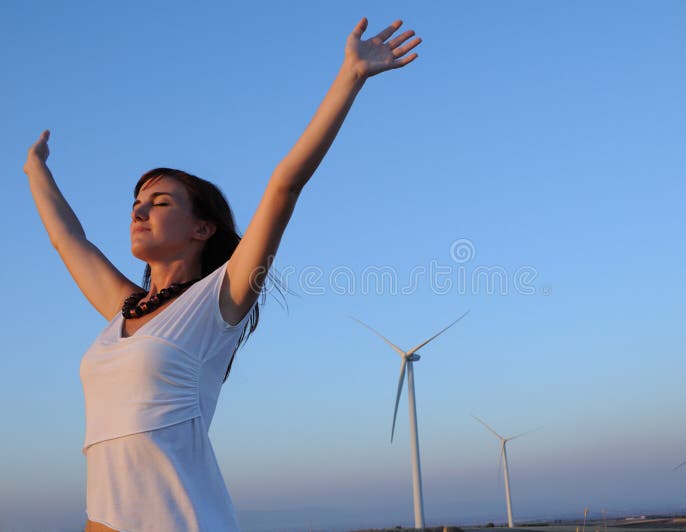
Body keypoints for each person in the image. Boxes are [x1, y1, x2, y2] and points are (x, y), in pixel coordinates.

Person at [23, 17, 421, 532]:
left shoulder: (220, 302)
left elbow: (285, 186)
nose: (138, 212)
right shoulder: (124, 309)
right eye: (136, 203)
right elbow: (67, 239)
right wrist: (36, 168)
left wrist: (350, 76)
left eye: (159, 202)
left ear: (202, 227)